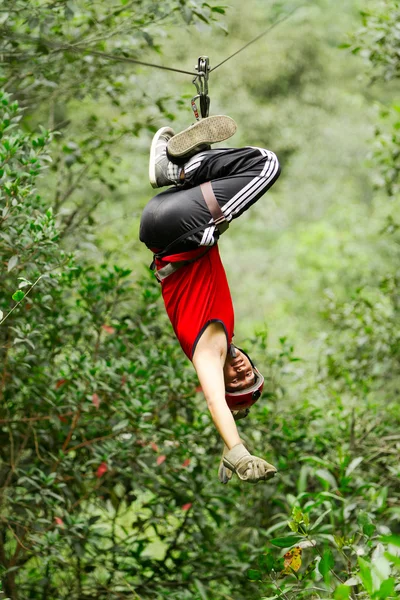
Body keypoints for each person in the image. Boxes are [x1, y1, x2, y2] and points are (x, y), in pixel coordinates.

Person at [139, 115, 281, 484]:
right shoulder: (225, 329)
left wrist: (237, 450)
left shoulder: (207, 351)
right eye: (249, 374)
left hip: (177, 225)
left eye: (236, 382)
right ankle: (190, 164)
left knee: (265, 165)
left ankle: (177, 167)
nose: (242, 373)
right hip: (175, 225)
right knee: (224, 203)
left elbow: (215, 401)